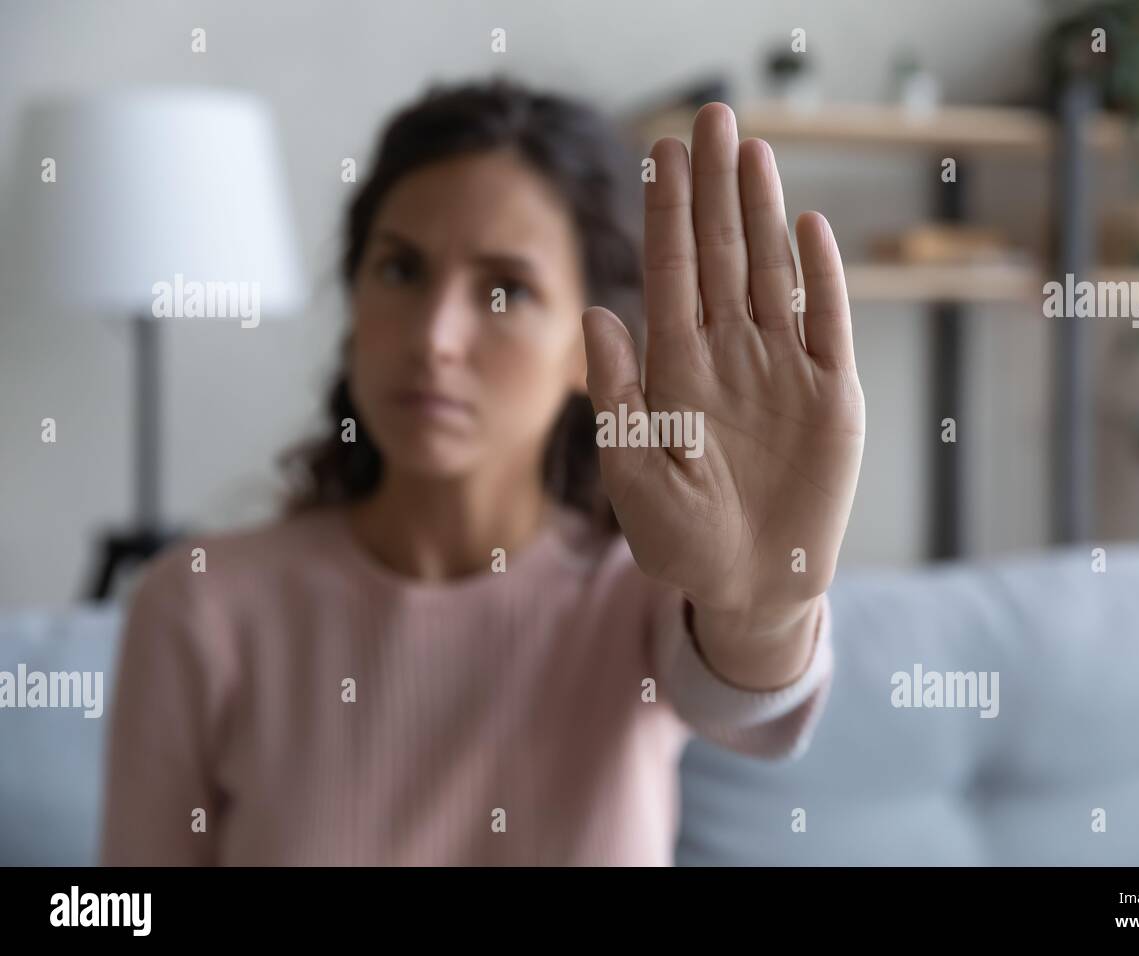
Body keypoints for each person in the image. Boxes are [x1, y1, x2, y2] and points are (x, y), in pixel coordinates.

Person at [101, 77, 865, 865]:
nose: (435, 336)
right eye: (400, 271)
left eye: (506, 291)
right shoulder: (200, 605)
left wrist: (763, 599)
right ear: (355, 302)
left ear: (590, 351)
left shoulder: (635, 588)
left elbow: (748, 701)